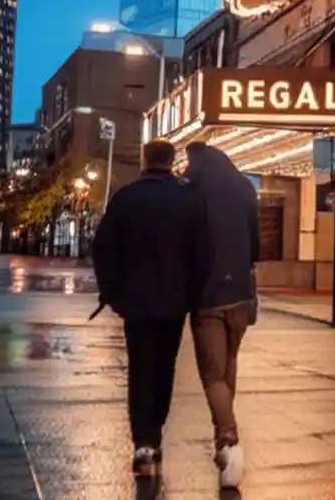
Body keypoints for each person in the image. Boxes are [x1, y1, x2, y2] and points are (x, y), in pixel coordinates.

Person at [91, 140, 200, 476]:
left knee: (140, 370)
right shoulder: (188, 200)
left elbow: (102, 247)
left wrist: (112, 292)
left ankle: (143, 442)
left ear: (144, 160)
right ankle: (155, 433)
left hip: (136, 304)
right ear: (172, 161)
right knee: (164, 369)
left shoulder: (126, 198)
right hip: (174, 302)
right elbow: (200, 253)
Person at [184, 142, 259, 489]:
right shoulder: (244, 187)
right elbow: (257, 246)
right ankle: (221, 444)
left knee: (212, 374)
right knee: (229, 365)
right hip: (241, 294)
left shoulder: (194, 190)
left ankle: (229, 441)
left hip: (208, 295)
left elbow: (187, 244)